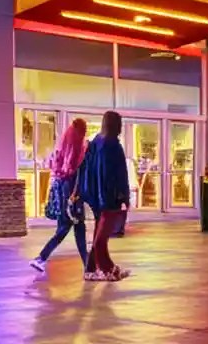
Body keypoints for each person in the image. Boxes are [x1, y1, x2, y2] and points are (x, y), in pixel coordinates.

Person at [30, 118, 89, 273]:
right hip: (73, 200)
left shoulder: (62, 151)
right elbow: (78, 178)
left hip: (64, 198)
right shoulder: (79, 153)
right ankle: (41, 257)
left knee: (72, 232)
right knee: (71, 232)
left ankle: (88, 266)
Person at [80, 111, 132, 281]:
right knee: (101, 238)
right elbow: (120, 174)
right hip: (110, 197)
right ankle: (109, 270)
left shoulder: (95, 143)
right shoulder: (113, 146)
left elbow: (87, 168)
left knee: (98, 233)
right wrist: (125, 196)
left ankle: (90, 269)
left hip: (95, 196)